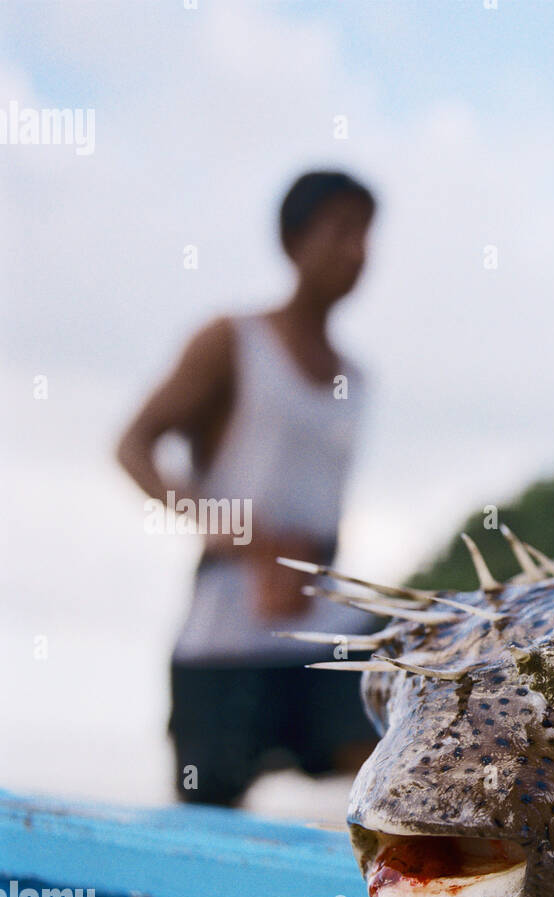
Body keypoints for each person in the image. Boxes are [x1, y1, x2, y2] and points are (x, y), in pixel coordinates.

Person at [116, 170, 378, 806]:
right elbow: (134, 446)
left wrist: (302, 566)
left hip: (319, 620)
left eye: (366, 235)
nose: (357, 251)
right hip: (227, 629)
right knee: (208, 810)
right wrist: (251, 545)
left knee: (390, 765)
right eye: (341, 230)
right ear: (293, 241)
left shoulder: (358, 378)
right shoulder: (234, 342)